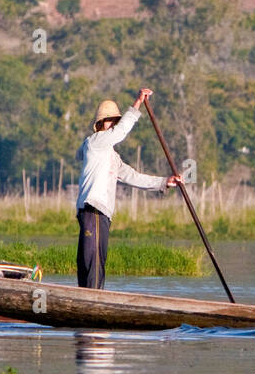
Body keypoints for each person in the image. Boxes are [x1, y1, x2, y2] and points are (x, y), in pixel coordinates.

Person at [75, 90, 179, 288]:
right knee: (91, 262)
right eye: (109, 121)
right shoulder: (94, 142)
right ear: (100, 125)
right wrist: (138, 102)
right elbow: (121, 132)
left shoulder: (112, 157)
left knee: (96, 261)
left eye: (115, 120)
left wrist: (164, 182)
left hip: (103, 213)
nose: (112, 124)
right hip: (92, 209)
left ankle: (94, 300)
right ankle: (92, 302)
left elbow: (133, 177)